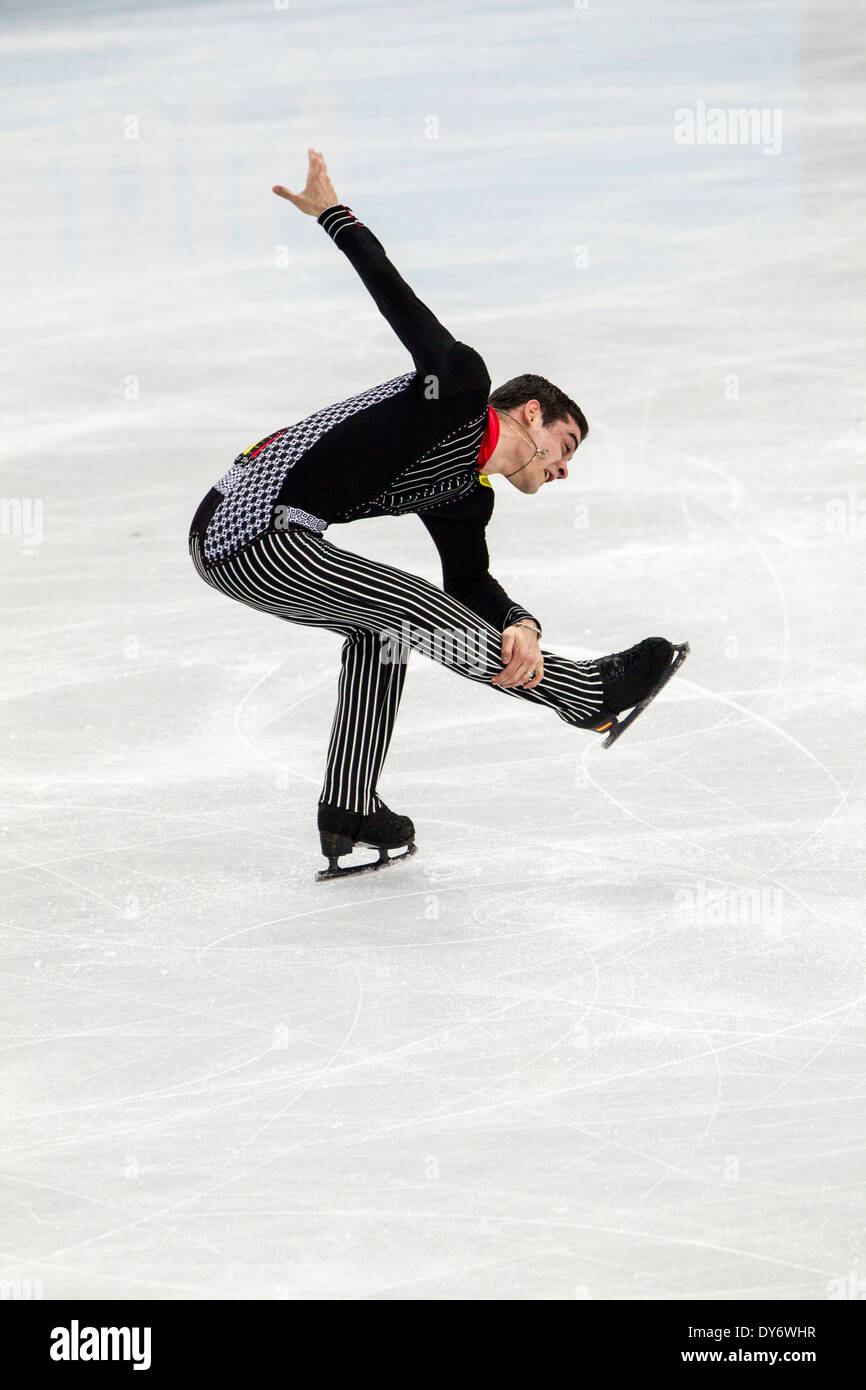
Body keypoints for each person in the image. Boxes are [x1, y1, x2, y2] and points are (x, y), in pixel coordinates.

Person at [188, 150, 687, 879]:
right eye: (564, 443)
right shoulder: (460, 389)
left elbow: (470, 587)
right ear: (530, 411)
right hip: (247, 526)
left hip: (277, 544)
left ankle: (350, 810)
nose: (564, 466)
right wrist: (335, 216)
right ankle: (582, 696)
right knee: (406, 608)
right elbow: (397, 298)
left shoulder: (466, 494)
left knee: (385, 633)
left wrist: (520, 626)